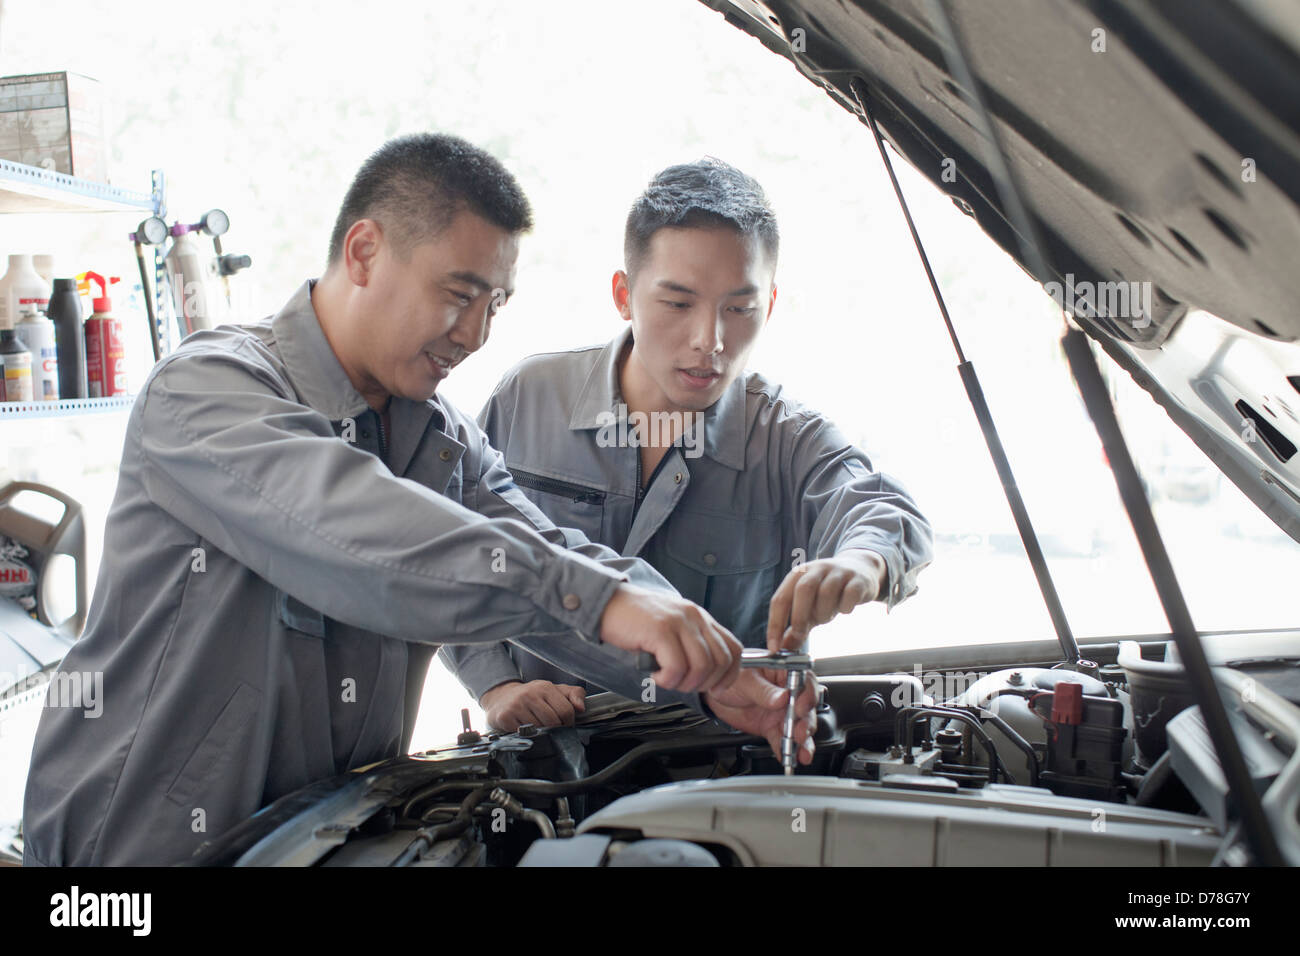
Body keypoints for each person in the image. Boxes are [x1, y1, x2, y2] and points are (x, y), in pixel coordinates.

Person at [22, 136, 815, 867]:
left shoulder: (442, 443)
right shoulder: (208, 391)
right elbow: (356, 531)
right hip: (132, 857)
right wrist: (606, 601)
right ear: (364, 251)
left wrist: (713, 671)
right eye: (459, 294)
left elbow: (548, 560)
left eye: (495, 304)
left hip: (323, 837)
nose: (475, 334)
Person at [442, 158, 933, 733]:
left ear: (769, 306)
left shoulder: (787, 440)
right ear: (624, 295)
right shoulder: (530, 397)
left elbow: (885, 510)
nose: (710, 341)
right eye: (678, 303)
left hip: (714, 778)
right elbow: (451, 542)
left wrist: (863, 562)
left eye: (739, 308)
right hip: (539, 771)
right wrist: (498, 686)